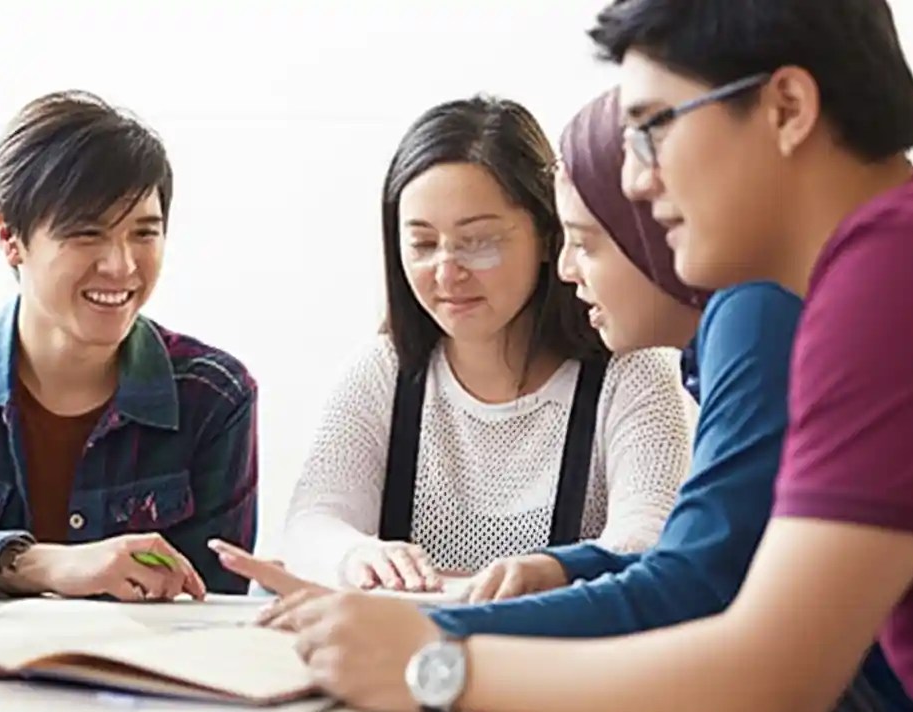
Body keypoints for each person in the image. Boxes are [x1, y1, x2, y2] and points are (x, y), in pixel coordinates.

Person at [222, 1, 913, 712]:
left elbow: (772, 671)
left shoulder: (905, 271)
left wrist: (435, 661)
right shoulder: (905, 253)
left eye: (654, 127)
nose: (633, 178)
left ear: (787, 108)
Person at [278, 95, 696, 593]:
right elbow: (310, 525)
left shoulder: (632, 371)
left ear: (548, 236)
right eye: (423, 244)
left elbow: (648, 539)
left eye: (478, 241)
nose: (447, 271)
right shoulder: (386, 370)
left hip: (554, 663)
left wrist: (545, 575)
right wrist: (356, 556)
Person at [0, 91, 258, 602]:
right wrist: (37, 564)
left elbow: (210, 607)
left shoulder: (213, 397)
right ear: (10, 236)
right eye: (87, 234)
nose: (120, 266)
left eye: (145, 233)